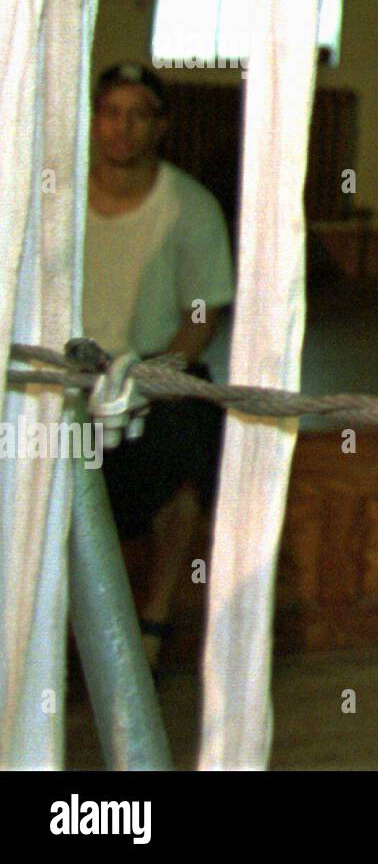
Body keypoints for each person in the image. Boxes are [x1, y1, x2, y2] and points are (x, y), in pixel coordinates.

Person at [83, 62, 235, 676]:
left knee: (191, 442)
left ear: (160, 126)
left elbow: (201, 315)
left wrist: (152, 381)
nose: (123, 128)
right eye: (112, 113)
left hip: (151, 375)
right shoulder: (55, 196)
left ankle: (154, 617)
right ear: (95, 122)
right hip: (67, 376)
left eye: (138, 115)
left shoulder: (189, 206)